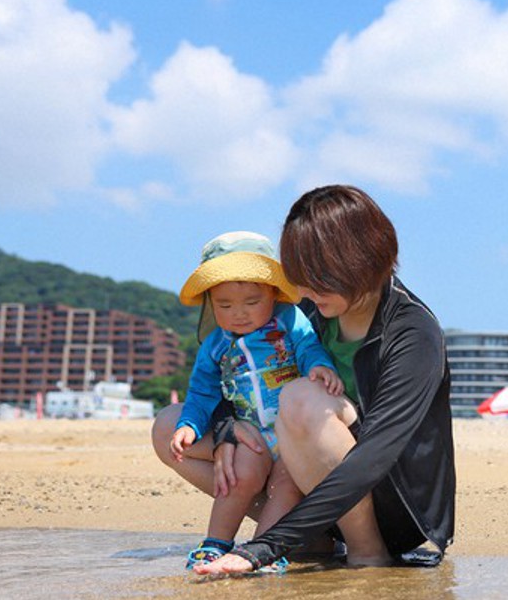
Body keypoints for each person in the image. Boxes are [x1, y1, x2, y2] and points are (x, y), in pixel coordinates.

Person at [191, 184, 455, 574]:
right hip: (320, 499)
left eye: (318, 279)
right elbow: (244, 376)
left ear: (361, 262)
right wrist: (225, 426)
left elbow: (374, 455)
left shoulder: (413, 333)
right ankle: (310, 539)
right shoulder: (312, 312)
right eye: (299, 278)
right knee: (171, 428)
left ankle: (367, 554)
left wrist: (264, 547)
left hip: (397, 510)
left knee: (299, 397)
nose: (302, 291)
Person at [166, 230, 342, 569]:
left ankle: (266, 548)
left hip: (293, 431)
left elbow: (308, 347)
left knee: (287, 484)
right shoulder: (214, 345)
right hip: (253, 433)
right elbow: (203, 393)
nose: (239, 314)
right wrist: (189, 425)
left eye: (251, 302)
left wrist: (319, 366)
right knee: (237, 474)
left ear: (274, 294)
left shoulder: (289, 320)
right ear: (210, 303)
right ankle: (216, 542)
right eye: (225, 305)